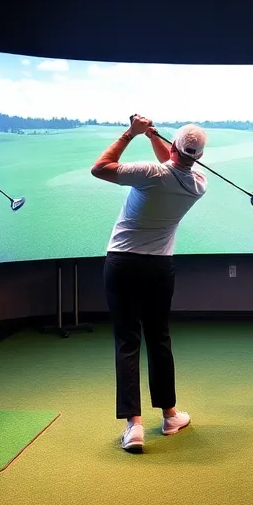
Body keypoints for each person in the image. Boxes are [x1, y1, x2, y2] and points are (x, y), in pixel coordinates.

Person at [91, 115, 206, 452]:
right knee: (159, 339)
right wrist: (155, 136)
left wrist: (132, 133)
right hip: (160, 267)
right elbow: (174, 163)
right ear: (197, 156)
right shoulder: (198, 182)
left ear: (174, 146)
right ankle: (170, 416)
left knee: (128, 340)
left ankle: (134, 426)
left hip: (123, 262)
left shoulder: (150, 173)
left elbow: (101, 167)